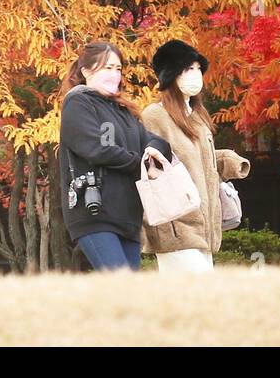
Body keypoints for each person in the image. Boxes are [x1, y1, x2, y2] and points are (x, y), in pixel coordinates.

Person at [59, 40, 173, 271]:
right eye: (107, 68)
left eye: (118, 68)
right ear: (86, 71)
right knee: (120, 283)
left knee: (127, 293)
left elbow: (156, 141)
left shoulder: (123, 111)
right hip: (95, 213)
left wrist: (154, 151)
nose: (114, 74)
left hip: (128, 215)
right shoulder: (78, 102)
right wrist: (141, 164)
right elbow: (97, 149)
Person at [139, 39, 251, 273]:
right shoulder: (154, 116)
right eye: (188, 69)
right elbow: (153, 167)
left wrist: (227, 160)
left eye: (198, 69)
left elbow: (196, 160)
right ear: (171, 74)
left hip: (204, 227)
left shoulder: (198, 117)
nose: (196, 74)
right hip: (175, 227)